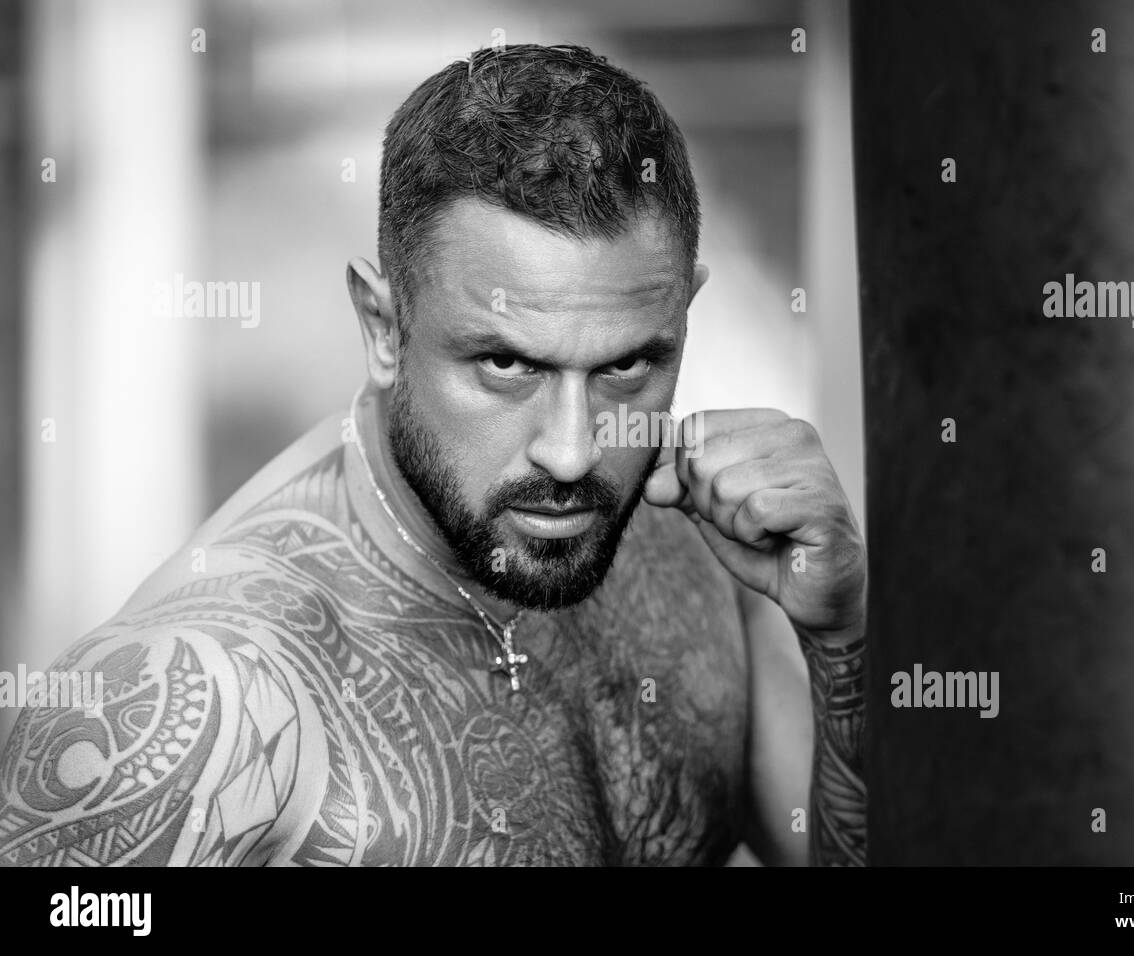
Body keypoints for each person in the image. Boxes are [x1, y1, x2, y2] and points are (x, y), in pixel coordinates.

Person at [0, 43, 865, 866]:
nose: (572, 454)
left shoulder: (700, 549)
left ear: (684, 308)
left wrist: (842, 636)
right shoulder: (193, 705)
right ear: (383, 326)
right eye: (505, 364)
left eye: (628, 364)